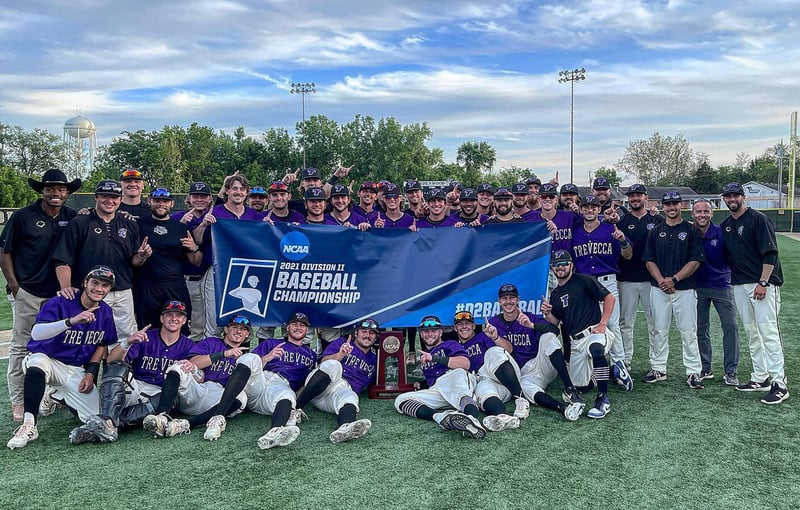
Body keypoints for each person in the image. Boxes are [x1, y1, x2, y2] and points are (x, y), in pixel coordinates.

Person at [7, 266, 118, 449]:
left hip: (74, 369)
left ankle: (54, 394)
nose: (99, 289)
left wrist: (90, 374)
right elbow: (36, 333)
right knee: (36, 363)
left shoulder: (105, 311)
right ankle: (29, 424)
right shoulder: (61, 302)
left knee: (100, 417)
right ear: (84, 283)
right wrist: (71, 321)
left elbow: (102, 344)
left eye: (105, 285)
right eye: (95, 283)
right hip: (48, 360)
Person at [1, 168, 80, 422]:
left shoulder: (72, 216)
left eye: (61, 189)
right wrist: (15, 285)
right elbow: (4, 252)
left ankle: (48, 396)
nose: (56, 193)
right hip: (29, 292)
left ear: (67, 193)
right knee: (22, 346)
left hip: (59, 294)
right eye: (50, 188)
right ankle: (19, 402)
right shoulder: (23, 217)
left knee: (57, 346)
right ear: (42, 191)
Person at [69, 300, 196, 444]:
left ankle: (99, 428)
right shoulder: (146, 336)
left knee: (173, 398)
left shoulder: (189, 346)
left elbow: (197, 377)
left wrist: (193, 366)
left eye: (178, 315)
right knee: (116, 366)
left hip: (158, 394)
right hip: (135, 386)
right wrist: (128, 342)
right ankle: (108, 423)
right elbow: (110, 360)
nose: (174, 318)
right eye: (169, 315)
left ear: (184, 320)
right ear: (162, 318)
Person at [200, 312, 317, 449]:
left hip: (280, 389)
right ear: (287, 328)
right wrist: (267, 357)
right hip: (260, 380)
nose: (298, 328)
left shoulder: (311, 355)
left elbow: (309, 381)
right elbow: (250, 364)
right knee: (251, 358)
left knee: (288, 396)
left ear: (307, 330)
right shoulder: (271, 343)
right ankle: (218, 418)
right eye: (294, 324)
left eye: (302, 325)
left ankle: (275, 431)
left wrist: (299, 397)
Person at [720, 182, 788, 404]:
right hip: (740, 284)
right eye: (728, 196)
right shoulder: (727, 224)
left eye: (735, 195)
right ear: (724, 199)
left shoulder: (758, 219)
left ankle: (780, 383)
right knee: (751, 332)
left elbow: (771, 254)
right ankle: (760, 377)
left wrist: (763, 281)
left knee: (768, 332)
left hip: (763, 284)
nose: (732, 199)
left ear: (743, 197)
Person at [53, 179, 143, 341]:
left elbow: (134, 260)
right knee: (90, 336)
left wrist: (142, 256)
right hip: (92, 291)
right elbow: (63, 259)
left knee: (126, 338)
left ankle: (121, 366)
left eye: (114, 197)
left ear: (120, 199)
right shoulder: (80, 222)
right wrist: (65, 286)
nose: (110, 201)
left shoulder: (129, 223)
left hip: (122, 290)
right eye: (105, 196)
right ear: (96, 197)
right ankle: (89, 367)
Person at [484, 285, 589, 422]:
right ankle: (563, 408)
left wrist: (531, 325)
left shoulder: (529, 317)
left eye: (512, 298)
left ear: (518, 300)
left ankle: (570, 388)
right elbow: (507, 350)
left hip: (538, 365)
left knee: (548, 337)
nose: (508, 301)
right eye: (504, 298)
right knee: (526, 389)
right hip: (519, 373)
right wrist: (495, 337)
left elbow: (554, 331)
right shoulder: (493, 323)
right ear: (499, 301)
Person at [141, 315, 251, 439]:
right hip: (198, 389)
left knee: (242, 397)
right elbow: (195, 362)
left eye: (243, 329)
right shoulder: (212, 342)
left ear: (247, 335)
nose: (238, 331)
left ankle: (187, 424)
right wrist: (224, 354)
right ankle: (163, 417)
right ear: (226, 330)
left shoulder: (247, 357)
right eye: (234, 327)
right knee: (179, 366)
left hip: (218, 399)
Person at [540, 250, 617, 419]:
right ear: (552, 268)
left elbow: (610, 298)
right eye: (556, 265)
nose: (560, 268)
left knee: (596, 349)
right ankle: (612, 371)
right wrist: (547, 314)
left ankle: (603, 398)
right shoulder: (555, 294)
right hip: (576, 342)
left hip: (593, 331)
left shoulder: (584, 280)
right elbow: (556, 321)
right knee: (580, 386)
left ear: (571, 265)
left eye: (564, 264)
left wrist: (603, 323)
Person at [641, 191, 705, 389]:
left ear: (681, 205)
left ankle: (694, 371)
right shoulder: (655, 230)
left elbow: (696, 260)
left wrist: (675, 279)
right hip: (659, 288)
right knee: (659, 329)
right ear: (663, 206)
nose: (672, 208)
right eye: (668, 204)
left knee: (688, 331)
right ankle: (658, 368)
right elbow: (649, 260)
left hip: (684, 288)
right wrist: (661, 280)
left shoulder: (692, 230)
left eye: (675, 204)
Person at [570, 194, 633, 387]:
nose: (590, 210)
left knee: (612, 324)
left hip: (607, 281)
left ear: (599, 209)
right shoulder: (575, 232)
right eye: (586, 207)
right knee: (588, 325)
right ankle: (595, 368)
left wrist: (622, 241)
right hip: (585, 284)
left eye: (593, 207)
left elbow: (628, 255)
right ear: (581, 210)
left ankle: (619, 365)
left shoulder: (610, 229)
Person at [394, 315, 486, 439]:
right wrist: (421, 384)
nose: (430, 334)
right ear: (421, 334)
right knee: (401, 400)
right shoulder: (425, 356)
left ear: (441, 332)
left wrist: (435, 358)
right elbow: (436, 379)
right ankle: (441, 417)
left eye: (434, 331)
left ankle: (472, 419)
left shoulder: (450, 344)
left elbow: (465, 363)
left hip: (456, 381)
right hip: (438, 391)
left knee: (458, 378)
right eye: (426, 331)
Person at [193, 174, 262, 337]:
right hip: (218, 272)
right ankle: (211, 360)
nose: (238, 192)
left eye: (242, 189)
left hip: (244, 274)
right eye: (235, 189)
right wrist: (203, 224)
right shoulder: (215, 212)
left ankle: (237, 360)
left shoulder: (253, 215)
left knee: (243, 321)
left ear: (246, 193)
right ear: (227, 191)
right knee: (215, 323)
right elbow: (197, 239)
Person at [292, 319, 379, 443]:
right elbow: (323, 362)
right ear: (356, 333)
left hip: (337, 395)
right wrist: (340, 354)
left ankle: (345, 427)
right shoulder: (342, 343)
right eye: (363, 331)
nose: (367, 335)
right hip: (321, 384)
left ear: (375, 338)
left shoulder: (375, 359)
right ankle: (295, 408)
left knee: (351, 397)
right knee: (334, 365)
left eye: (372, 333)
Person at [133, 187, 201, 332]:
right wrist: (141, 256)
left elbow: (196, 261)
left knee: (177, 329)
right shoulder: (138, 225)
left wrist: (194, 247)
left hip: (174, 286)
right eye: (157, 200)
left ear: (171, 203)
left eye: (165, 201)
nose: (161, 204)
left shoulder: (181, 228)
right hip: (146, 286)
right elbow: (133, 261)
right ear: (149, 201)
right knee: (147, 331)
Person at [691, 199, 740, 385]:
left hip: (721, 285)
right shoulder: (689, 233)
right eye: (698, 212)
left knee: (731, 327)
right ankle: (705, 367)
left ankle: (731, 371)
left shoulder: (721, 233)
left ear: (712, 213)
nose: (702, 215)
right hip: (697, 287)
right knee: (701, 329)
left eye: (706, 211)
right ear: (692, 214)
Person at [616, 184, 663, 370]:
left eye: (639, 195)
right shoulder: (622, 221)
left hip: (651, 280)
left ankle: (656, 364)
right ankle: (626, 361)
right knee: (626, 323)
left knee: (655, 323)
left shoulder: (657, 219)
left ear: (646, 197)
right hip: (627, 278)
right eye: (632, 196)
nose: (635, 199)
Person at [171, 181, 214, 341]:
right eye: (195, 196)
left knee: (199, 326)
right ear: (188, 198)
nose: (199, 199)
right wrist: (180, 225)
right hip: (180, 278)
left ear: (210, 198)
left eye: (203, 196)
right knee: (176, 321)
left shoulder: (213, 217)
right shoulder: (178, 217)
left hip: (204, 278)